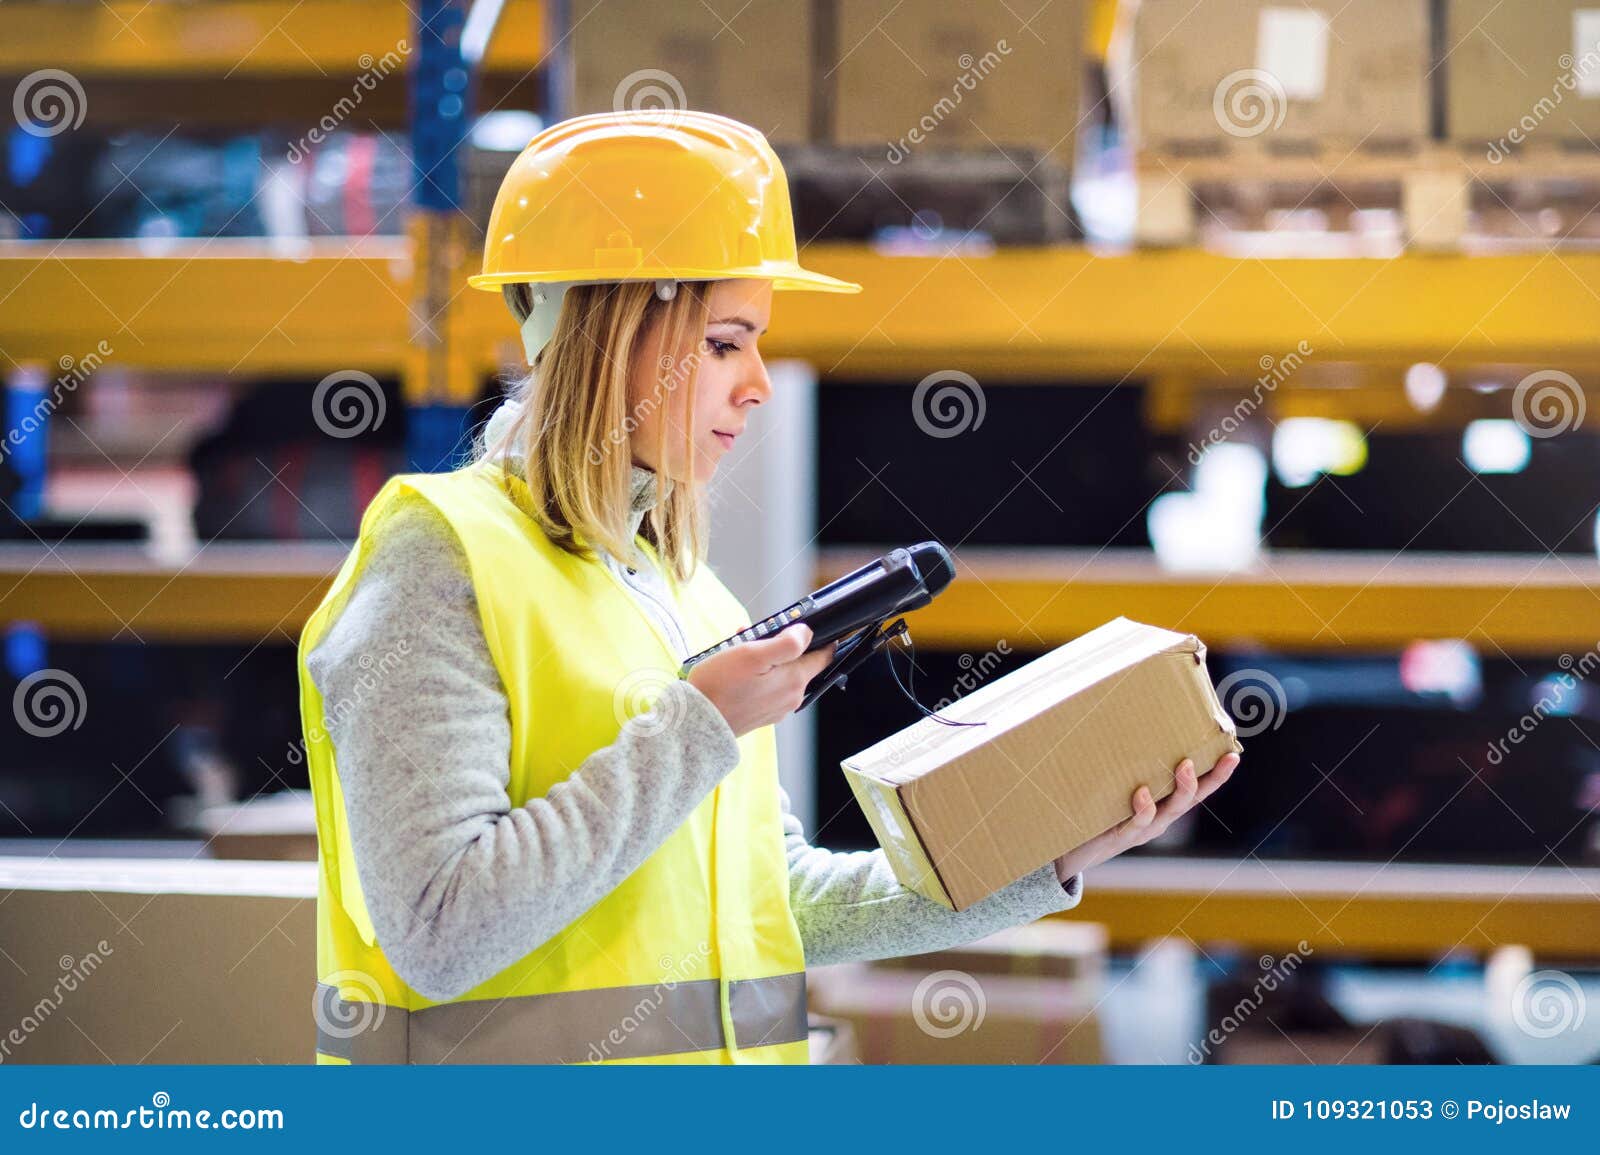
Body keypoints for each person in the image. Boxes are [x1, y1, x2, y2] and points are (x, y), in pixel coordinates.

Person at [297, 109, 1239, 1065]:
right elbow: (441, 929)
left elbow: (778, 900)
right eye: (723, 343)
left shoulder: (688, 596)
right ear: (607, 333)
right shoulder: (440, 558)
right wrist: (701, 724)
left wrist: (1048, 855)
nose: (759, 383)